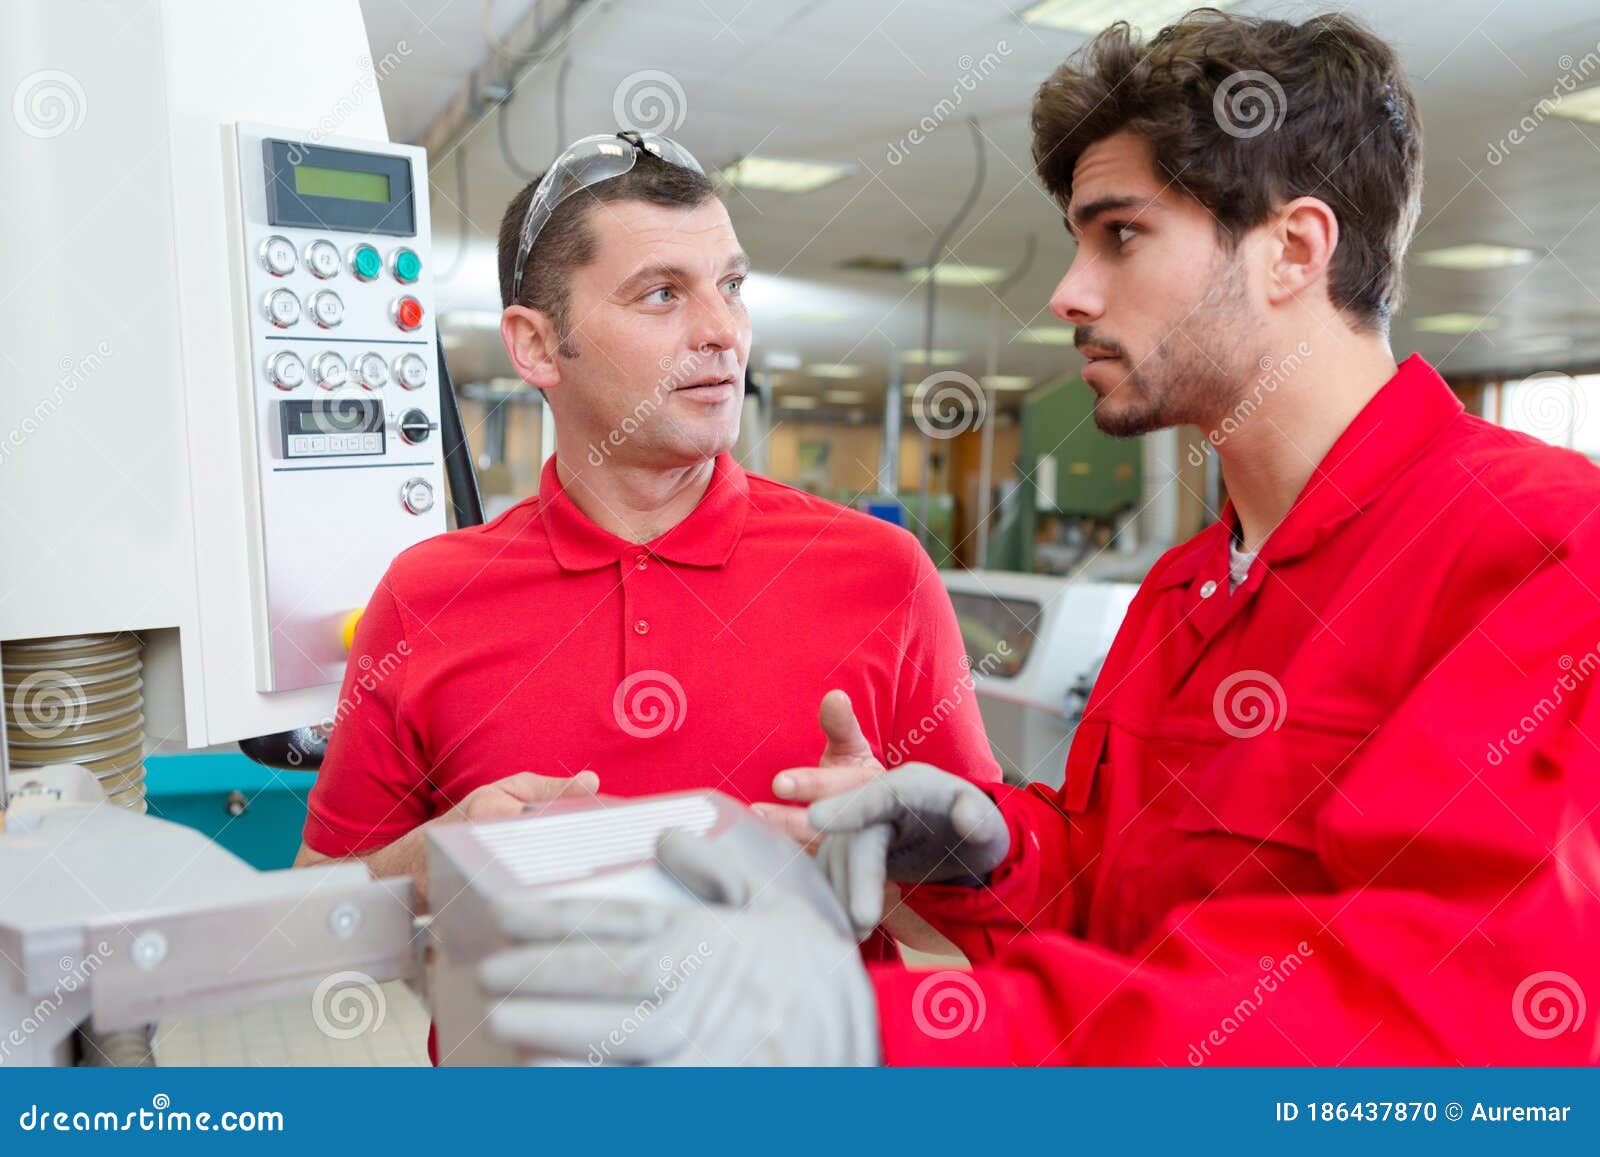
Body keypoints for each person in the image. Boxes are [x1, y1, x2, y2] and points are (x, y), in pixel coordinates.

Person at [474, 12, 1600, 1066]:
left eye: (1121, 235)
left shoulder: (1542, 545)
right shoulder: (1185, 589)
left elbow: (1447, 1010)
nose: (1067, 292)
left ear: (1294, 249)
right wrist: (992, 855)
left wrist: (858, 1024)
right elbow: (1118, 909)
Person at [294, 133, 998, 927]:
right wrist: (425, 866)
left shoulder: (882, 572)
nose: (723, 330)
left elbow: (996, 893)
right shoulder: (425, 596)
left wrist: (906, 846)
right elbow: (310, 914)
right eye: (663, 294)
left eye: (731, 286)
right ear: (537, 345)